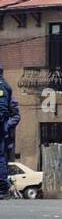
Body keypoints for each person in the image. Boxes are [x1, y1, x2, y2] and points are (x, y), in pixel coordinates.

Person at [0, 65, 18, 199]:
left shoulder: (4, 87)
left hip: (3, 130)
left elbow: (14, 115)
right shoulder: (6, 87)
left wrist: (6, 126)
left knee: (1, 158)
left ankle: (2, 188)